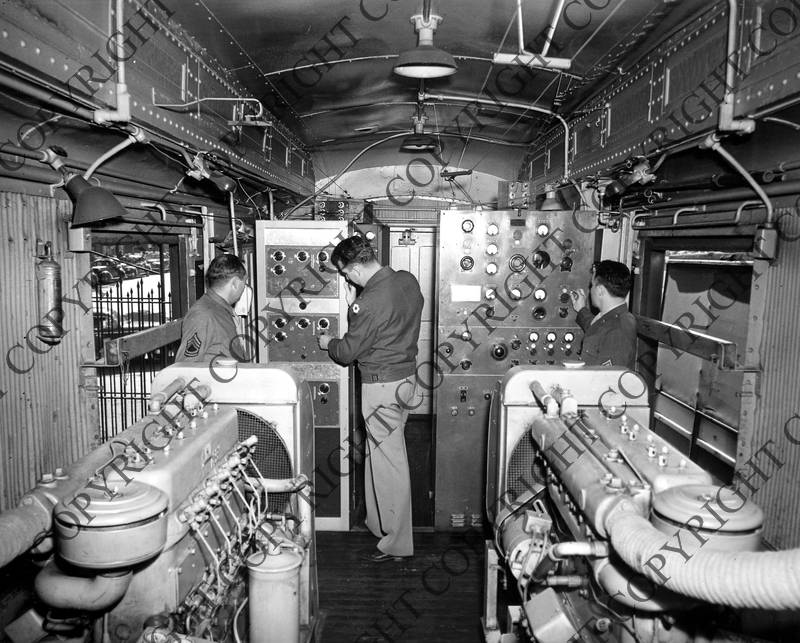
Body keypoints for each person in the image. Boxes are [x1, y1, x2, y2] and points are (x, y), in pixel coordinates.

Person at [317, 236, 424, 563]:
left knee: (390, 464)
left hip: (382, 390)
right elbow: (386, 321)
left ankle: (397, 543)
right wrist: (357, 306)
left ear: (355, 268)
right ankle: (379, 524)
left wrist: (327, 342)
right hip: (407, 381)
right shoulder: (407, 279)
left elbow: (348, 353)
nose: (347, 280)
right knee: (381, 457)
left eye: (346, 274)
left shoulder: (369, 303)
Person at [175, 254, 247, 363]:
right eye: (245, 281)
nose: (245, 288)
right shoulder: (203, 315)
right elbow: (186, 367)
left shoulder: (223, 311)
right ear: (235, 282)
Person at [570, 260, 637, 370]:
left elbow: (606, 381)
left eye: (592, 285)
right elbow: (597, 328)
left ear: (600, 290)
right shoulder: (614, 318)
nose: (590, 290)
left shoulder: (617, 330)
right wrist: (581, 309)